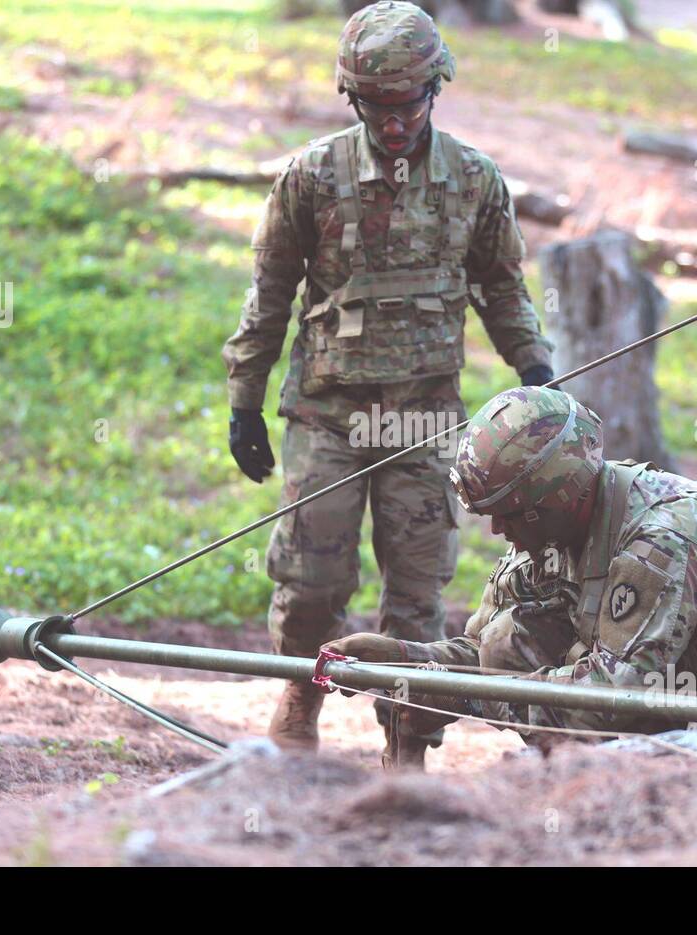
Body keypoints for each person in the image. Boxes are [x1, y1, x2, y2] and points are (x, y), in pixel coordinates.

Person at [222, 2, 555, 767]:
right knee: (311, 576)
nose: (394, 122)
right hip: (328, 415)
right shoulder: (312, 178)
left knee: (417, 595)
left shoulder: (473, 180)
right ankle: (300, 695)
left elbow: (502, 289)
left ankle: (405, 746)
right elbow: (269, 293)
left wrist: (536, 370)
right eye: (377, 106)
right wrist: (245, 400)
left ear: (436, 89)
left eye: (407, 104)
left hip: (424, 421)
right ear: (353, 99)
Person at [322, 386, 697, 754]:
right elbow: (483, 654)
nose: (497, 533)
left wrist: (459, 695)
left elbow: (612, 700)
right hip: (665, 667)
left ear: (559, 497)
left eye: (508, 515)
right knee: (511, 641)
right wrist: (408, 660)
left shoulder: (662, 536)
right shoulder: (548, 537)